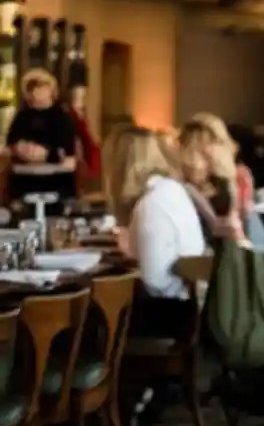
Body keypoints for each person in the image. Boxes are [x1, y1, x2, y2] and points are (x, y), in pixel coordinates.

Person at [107, 127, 206, 312]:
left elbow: (155, 283)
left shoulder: (151, 204)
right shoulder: (170, 189)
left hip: (171, 311)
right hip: (187, 302)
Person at [6, 69, 78, 203]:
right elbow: (10, 144)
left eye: (42, 87)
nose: (38, 92)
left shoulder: (62, 117)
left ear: (51, 90)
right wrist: (19, 149)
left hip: (55, 183)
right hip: (24, 181)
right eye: (33, 88)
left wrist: (45, 154)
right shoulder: (21, 117)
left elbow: (68, 153)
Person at [177, 120, 248, 245]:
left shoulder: (219, 179)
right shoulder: (185, 186)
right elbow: (214, 224)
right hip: (203, 248)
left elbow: (234, 212)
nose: (216, 147)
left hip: (226, 247)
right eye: (211, 142)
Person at [65, 83, 101, 193]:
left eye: (82, 95)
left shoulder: (83, 113)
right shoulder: (68, 114)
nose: (80, 98)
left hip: (84, 149)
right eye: (78, 95)